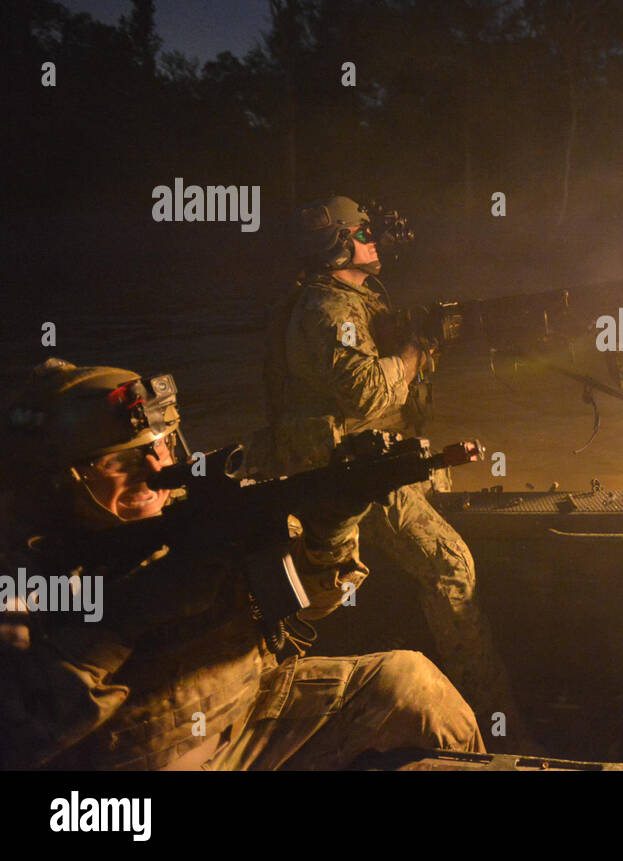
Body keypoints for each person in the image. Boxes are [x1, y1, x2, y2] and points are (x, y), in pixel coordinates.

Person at [0, 358, 484, 769]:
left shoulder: (196, 513)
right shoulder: (22, 571)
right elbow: (19, 736)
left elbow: (310, 605)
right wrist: (125, 619)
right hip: (135, 757)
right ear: (62, 480)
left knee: (411, 686)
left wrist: (331, 530)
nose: (155, 472)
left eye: (161, 445)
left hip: (249, 714)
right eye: (120, 460)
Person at [261, 195, 526, 746]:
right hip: (346, 467)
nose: (372, 239)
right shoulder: (326, 308)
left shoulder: (351, 297)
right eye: (361, 232)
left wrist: (428, 334)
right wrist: (409, 352)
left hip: (369, 454)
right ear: (336, 243)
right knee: (452, 565)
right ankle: (493, 726)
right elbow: (365, 388)